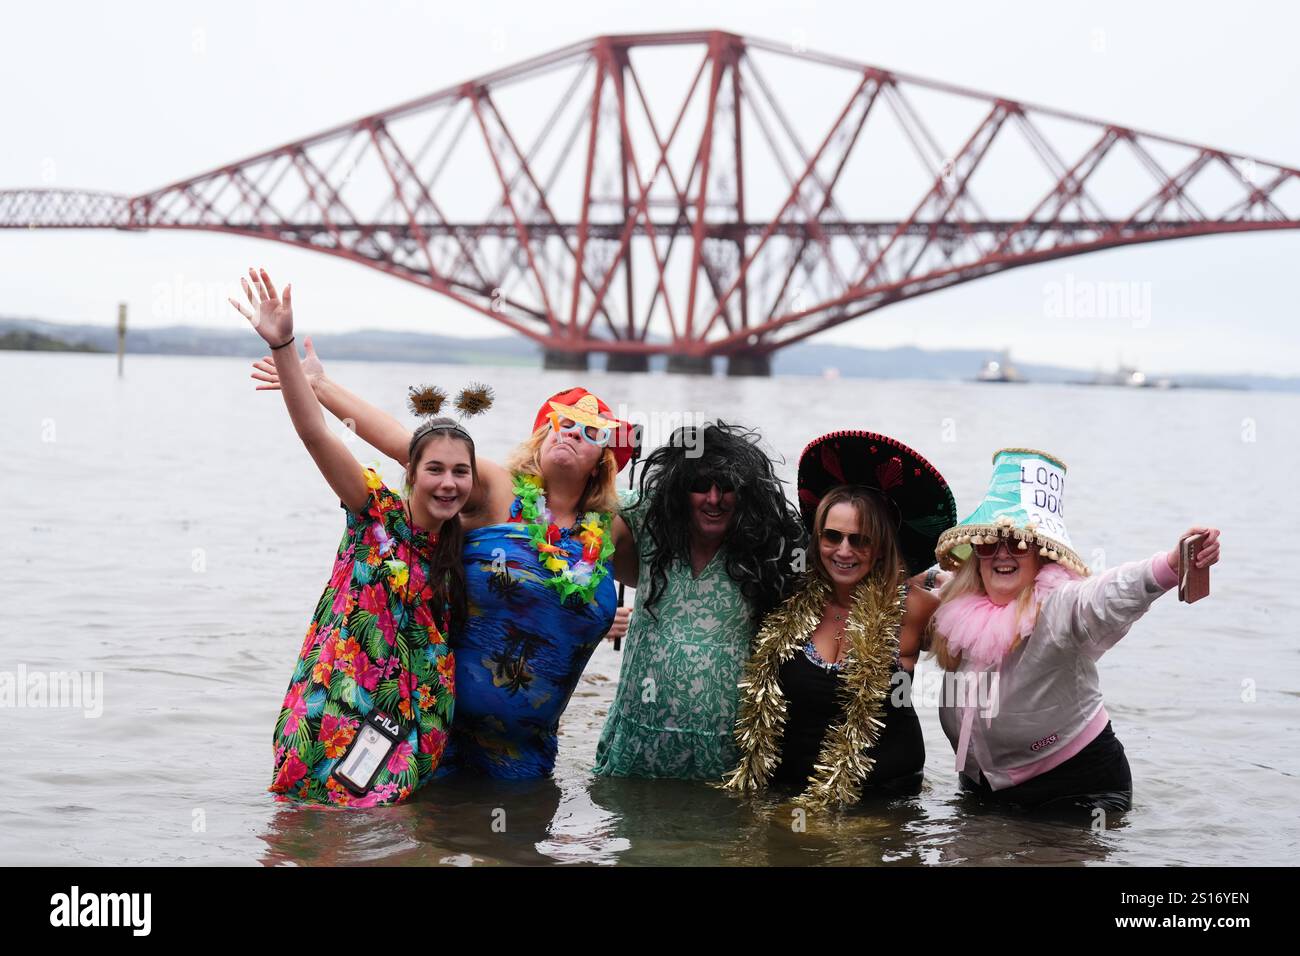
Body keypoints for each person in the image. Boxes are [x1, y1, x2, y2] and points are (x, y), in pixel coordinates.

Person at [249, 345, 634, 778]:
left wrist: (609, 622)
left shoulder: (612, 530)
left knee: (521, 841)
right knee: (427, 837)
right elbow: (407, 447)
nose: (570, 434)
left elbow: (667, 569)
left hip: (528, 750)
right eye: (561, 423)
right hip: (439, 725)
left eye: (589, 433)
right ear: (541, 437)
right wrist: (318, 385)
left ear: (604, 460)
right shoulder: (496, 487)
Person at [229, 268, 472, 806]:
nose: (449, 483)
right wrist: (285, 346)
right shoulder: (373, 512)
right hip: (331, 710)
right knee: (296, 836)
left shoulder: (471, 542)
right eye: (435, 469)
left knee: (391, 849)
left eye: (461, 472)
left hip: (410, 734)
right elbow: (315, 432)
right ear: (411, 471)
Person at [929, 447, 1222, 814]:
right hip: (982, 785)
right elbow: (919, 588)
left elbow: (1107, 595)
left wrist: (1168, 567)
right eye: (989, 543)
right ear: (976, 553)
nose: (1003, 554)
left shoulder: (1061, 605)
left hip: (1074, 789)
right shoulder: (954, 601)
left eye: (1019, 543)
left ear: (1042, 553)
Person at [721, 431, 958, 810]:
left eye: (860, 540)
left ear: (879, 545)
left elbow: (991, 631)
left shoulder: (914, 607)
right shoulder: (787, 594)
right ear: (816, 538)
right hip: (788, 795)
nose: (843, 551)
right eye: (832, 537)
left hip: (886, 801)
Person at [593, 422, 806, 780]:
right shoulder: (651, 523)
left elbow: (841, 563)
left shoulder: (768, 550)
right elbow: (587, 506)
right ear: (678, 491)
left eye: (727, 487)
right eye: (699, 486)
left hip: (726, 755)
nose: (713, 498)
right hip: (638, 745)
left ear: (747, 494)